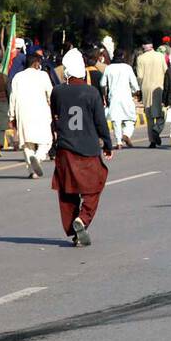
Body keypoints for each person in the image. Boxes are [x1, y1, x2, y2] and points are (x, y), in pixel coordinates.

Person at [50, 50, 113, 247]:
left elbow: (54, 117)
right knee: (94, 186)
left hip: (65, 150)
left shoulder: (58, 91)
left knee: (68, 192)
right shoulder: (91, 92)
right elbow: (100, 122)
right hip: (88, 149)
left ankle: (74, 229)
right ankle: (82, 220)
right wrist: (107, 144)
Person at [8, 51, 53, 177]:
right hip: (41, 112)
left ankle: (32, 172)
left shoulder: (17, 77)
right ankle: (38, 158)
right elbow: (50, 94)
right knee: (46, 141)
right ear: (36, 62)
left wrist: (12, 116)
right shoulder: (43, 75)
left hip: (23, 113)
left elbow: (13, 97)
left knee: (27, 144)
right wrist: (54, 107)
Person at [102, 48, 140, 148]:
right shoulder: (127, 68)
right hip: (126, 97)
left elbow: (102, 83)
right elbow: (135, 85)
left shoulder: (108, 68)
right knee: (131, 118)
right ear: (123, 56)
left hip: (113, 97)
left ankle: (119, 142)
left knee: (116, 120)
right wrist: (135, 91)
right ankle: (127, 134)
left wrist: (104, 95)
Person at [136, 40, 167, 148]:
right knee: (161, 113)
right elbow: (165, 71)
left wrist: (140, 88)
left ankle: (152, 141)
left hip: (146, 88)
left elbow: (139, 77)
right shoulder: (160, 56)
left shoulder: (140, 58)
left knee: (149, 117)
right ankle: (157, 129)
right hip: (159, 87)